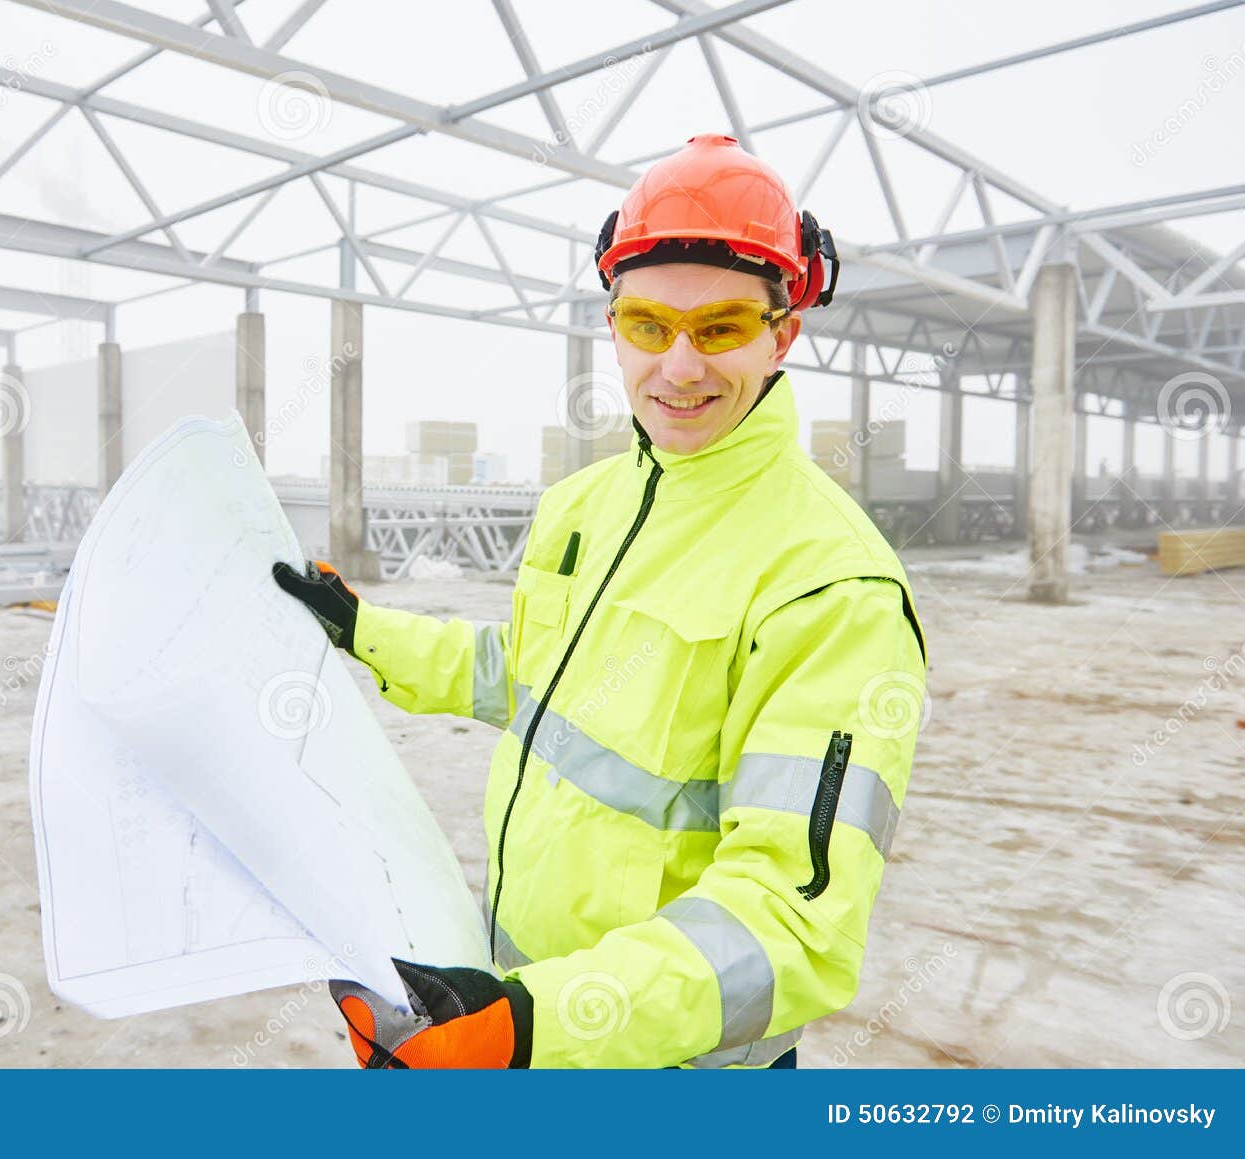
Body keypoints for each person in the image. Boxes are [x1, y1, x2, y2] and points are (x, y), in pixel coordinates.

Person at [273, 135, 927, 1069]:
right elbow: (526, 674)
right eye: (651, 325)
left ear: (783, 331)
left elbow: (791, 921)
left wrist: (534, 1023)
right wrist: (363, 630)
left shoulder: (831, 583)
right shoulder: (584, 506)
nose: (681, 367)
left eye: (723, 327)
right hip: (526, 1025)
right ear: (613, 324)